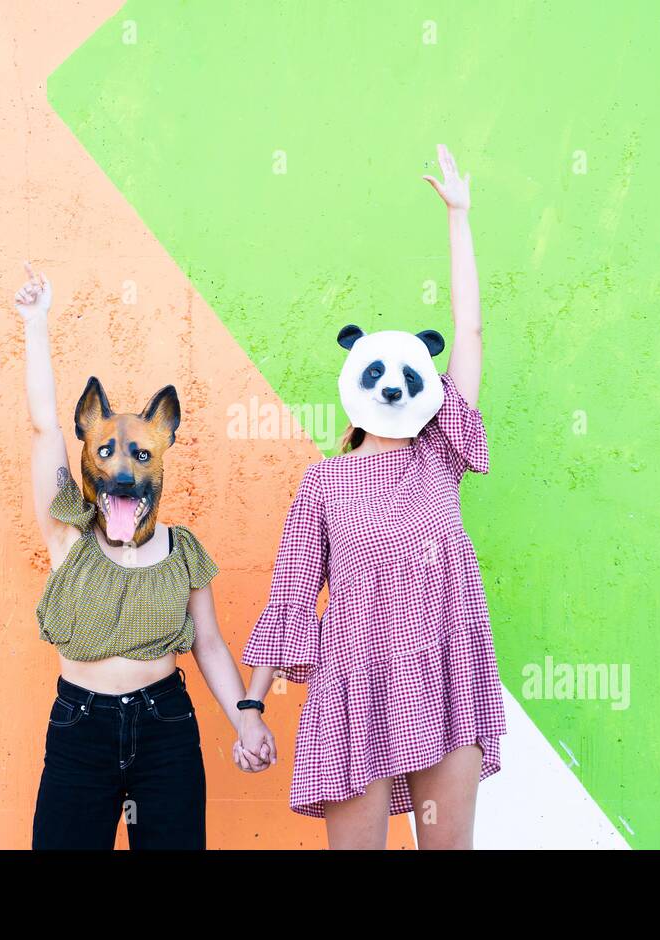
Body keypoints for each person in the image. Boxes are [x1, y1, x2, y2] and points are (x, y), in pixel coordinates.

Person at [237, 145, 507, 849]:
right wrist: (251, 706)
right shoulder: (324, 483)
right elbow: (292, 595)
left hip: (443, 679)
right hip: (354, 691)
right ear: (357, 384)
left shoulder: (442, 453)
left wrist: (459, 218)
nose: (394, 388)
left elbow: (471, 332)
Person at [14, 264, 273, 849]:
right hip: (80, 730)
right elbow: (41, 428)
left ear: (162, 454)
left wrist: (246, 719)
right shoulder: (67, 537)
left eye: (138, 455)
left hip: (166, 729)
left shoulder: (183, 552)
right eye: (107, 453)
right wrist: (36, 325)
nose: (124, 471)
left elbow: (208, 644)